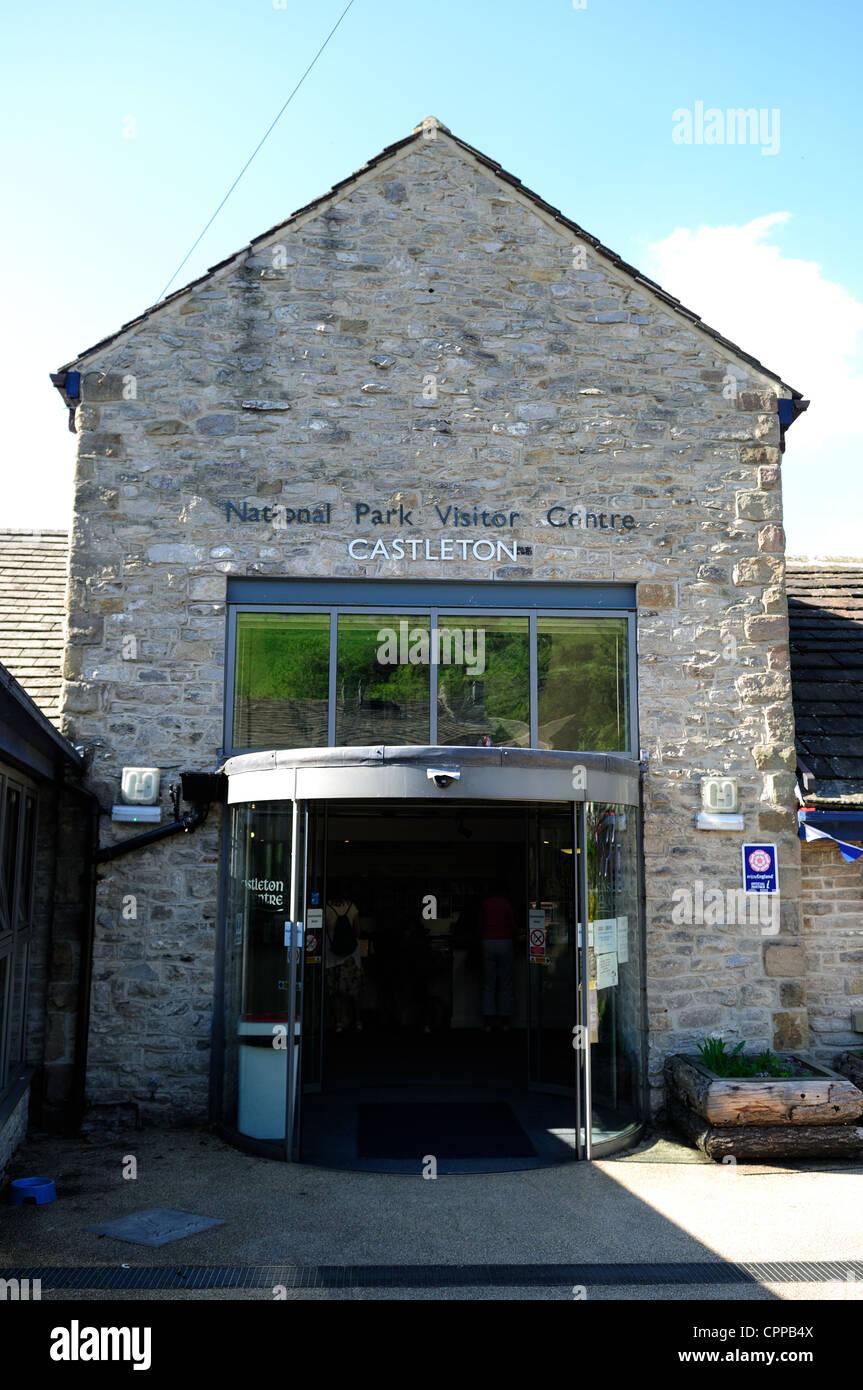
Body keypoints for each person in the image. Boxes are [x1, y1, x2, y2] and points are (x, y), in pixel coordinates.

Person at [325, 884, 362, 1031]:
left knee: (335, 993)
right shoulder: (351, 907)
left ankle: (338, 1023)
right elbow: (358, 931)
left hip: (332, 957)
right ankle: (358, 1022)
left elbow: (322, 930)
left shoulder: (327, 907)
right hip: (351, 957)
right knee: (355, 992)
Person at [479, 879, 516, 1029]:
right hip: (505, 941)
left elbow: (480, 924)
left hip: (487, 941)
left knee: (489, 984)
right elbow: (512, 925)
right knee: (505, 983)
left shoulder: (485, 904)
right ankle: (505, 1020)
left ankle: (488, 1020)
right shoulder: (506, 904)